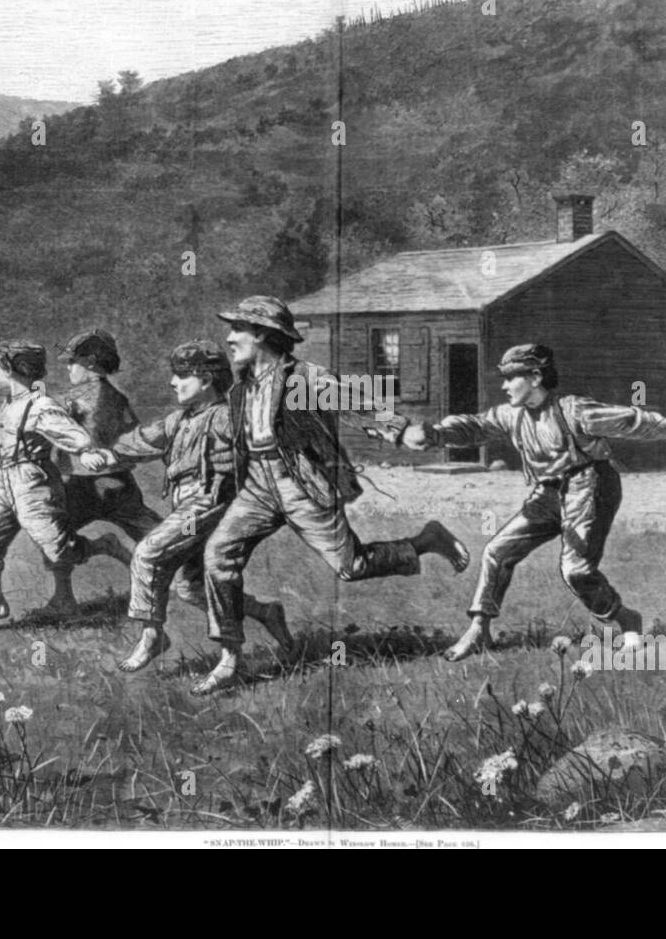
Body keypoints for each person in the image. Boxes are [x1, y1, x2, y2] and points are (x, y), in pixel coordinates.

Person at [199, 296, 470, 695]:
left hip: (302, 482)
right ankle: (230, 658)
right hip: (257, 485)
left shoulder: (304, 378)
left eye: (237, 330)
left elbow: (355, 401)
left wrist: (401, 428)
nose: (229, 337)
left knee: (352, 567)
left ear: (262, 334)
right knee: (217, 555)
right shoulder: (240, 390)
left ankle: (426, 540)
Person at [401, 344, 666, 660]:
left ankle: (627, 620)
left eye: (511, 378)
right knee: (497, 551)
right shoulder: (510, 416)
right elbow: (475, 426)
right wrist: (435, 433)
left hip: (590, 485)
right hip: (547, 494)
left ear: (535, 377)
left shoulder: (574, 410)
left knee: (575, 570)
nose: (504, 386)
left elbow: (634, 420)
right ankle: (479, 630)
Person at [83, 340, 294, 672]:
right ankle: (266, 613)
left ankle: (156, 638)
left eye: (181, 375)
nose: (172, 382)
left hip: (211, 505)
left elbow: (267, 446)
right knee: (191, 588)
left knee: (149, 552)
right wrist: (110, 453)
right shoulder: (178, 420)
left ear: (206, 379)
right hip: (189, 510)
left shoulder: (227, 417)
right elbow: (140, 440)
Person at [0, 341, 125, 630]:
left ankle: (104, 545)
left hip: (33, 481)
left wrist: (87, 452)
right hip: (5, 480)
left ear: (8, 369)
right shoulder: (8, 403)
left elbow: (73, 435)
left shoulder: (40, 405)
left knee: (58, 549)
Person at [38, 329, 166, 614]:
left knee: (51, 534)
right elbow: (132, 434)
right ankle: (163, 578)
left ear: (92, 362)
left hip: (80, 485)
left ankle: (64, 598)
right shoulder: (117, 397)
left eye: (73, 362)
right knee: (154, 535)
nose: (68, 368)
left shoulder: (73, 399)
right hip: (119, 482)